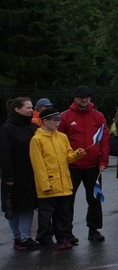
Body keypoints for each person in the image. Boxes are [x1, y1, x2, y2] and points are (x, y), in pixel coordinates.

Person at [29, 106, 87, 249]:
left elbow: (67, 157)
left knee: (62, 213)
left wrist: (76, 155)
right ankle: (45, 239)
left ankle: (63, 238)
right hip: (48, 184)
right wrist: (44, 185)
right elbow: (38, 165)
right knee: (46, 215)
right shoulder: (37, 140)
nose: (58, 123)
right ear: (45, 121)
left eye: (59, 120)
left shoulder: (62, 137)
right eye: (54, 120)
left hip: (64, 183)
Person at [59, 85, 109, 243]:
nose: (84, 100)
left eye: (87, 98)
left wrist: (104, 160)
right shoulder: (65, 117)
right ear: (75, 98)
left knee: (94, 199)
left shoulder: (98, 116)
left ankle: (94, 230)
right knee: (67, 201)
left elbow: (105, 140)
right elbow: (59, 141)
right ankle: (66, 232)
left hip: (93, 166)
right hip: (71, 167)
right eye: (81, 98)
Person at [1, 97, 40, 250]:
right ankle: (18, 237)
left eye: (32, 107)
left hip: (30, 175)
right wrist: (8, 176)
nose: (31, 110)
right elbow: (5, 154)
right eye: (28, 108)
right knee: (13, 207)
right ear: (17, 109)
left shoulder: (33, 127)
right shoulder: (7, 129)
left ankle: (25, 237)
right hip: (13, 176)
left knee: (28, 206)